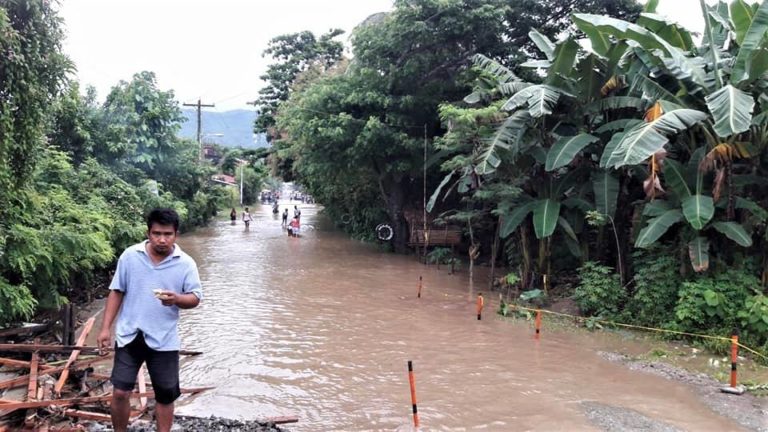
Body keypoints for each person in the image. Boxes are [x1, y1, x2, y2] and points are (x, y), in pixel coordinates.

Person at [96, 208, 202, 432]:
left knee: (165, 394)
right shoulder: (130, 256)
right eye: (156, 234)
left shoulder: (185, 263)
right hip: (129, 335)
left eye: (167, 234)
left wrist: (177, 299)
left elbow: (195, 298)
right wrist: (105, 328)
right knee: (120, 391)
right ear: (148, 232)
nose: (162, 240)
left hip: (164, 338)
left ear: (176, 234)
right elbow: (116, 291)